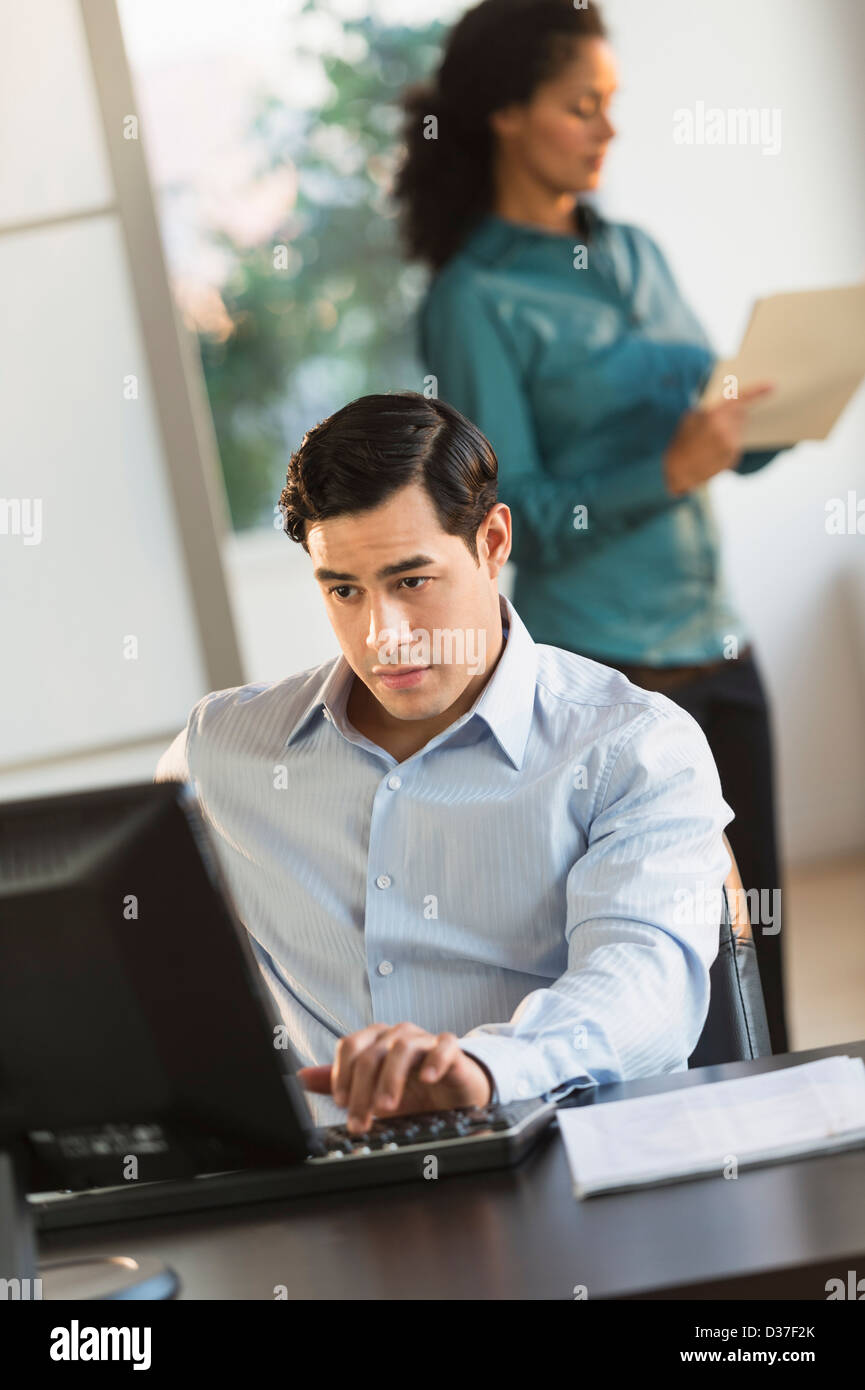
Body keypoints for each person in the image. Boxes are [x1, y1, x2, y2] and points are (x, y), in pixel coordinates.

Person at [157, 391, 733, 1135]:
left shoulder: (633, 746)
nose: (383, 635)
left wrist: (484, 1071)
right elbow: (116, 932)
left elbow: (643, 986)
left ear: (492, 542)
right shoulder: (223, 751)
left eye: (411, 582)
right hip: (338, 1198)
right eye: (344, 591)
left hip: (571, 1164)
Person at [394, 0, 790, 1052]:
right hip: (614, 675)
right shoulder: (472, 299)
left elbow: (705, 417)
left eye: (611, 106)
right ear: (508, 115)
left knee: (758, 950)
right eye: (583, 106)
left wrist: (770, 416)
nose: (608, 130)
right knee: (669, 975)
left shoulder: (638, 253)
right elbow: (501, 512)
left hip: (719, 645)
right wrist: (668, 466)